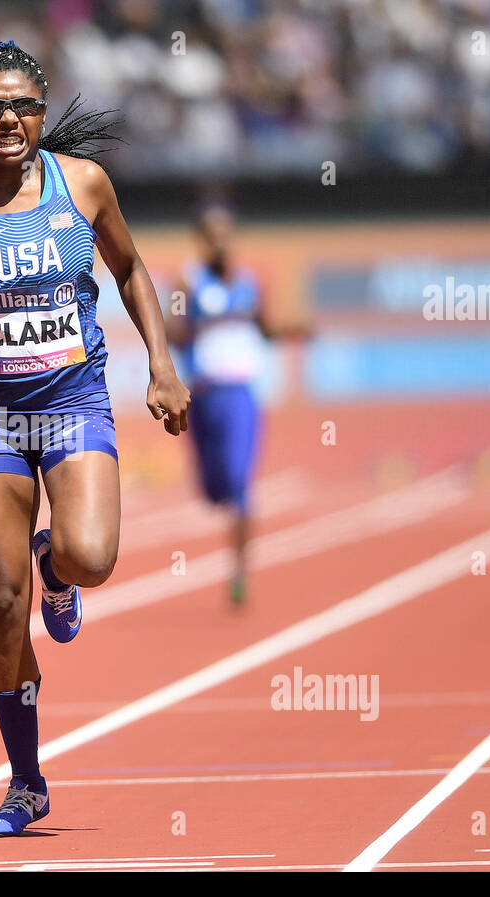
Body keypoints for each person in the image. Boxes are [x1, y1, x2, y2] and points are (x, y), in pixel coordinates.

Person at [0, 40, 190, 836]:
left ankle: (56, 564)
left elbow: (129, 270)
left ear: (43, 113)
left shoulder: (82, 183)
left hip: (74, 402)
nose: (9, 120)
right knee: (0, 603)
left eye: (22, 105)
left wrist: (161, 366)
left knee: (91, 559)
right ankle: (25, 782)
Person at [165, 200, 306, 606]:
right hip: (203, 398)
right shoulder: (188, 283)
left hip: (241, 395)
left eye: (226, 232)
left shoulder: (248, 283)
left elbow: (265, 329)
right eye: (212, 233)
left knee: (239, 483)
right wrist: (200, 321)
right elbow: (172, 331)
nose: (221, 240)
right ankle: (224, 498)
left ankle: (240, 572)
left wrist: (297, 329)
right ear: (202, 239)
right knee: (212, 491)